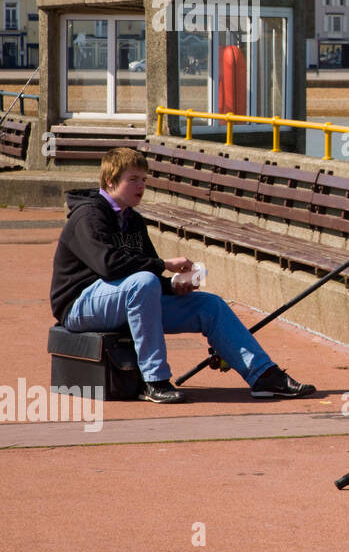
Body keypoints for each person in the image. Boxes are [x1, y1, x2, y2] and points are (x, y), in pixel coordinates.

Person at [49, 148, 316, 404]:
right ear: (110, 181)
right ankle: (155, 381)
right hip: (79, 306)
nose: (141, 186)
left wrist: (174, 286)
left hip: (125, 299)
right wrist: (164, 264)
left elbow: (145, 275)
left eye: (144, 180)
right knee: (143, 282)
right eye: (133, 180)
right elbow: (109, 265)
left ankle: (264, 376)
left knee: (208, 305)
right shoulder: (88, 215)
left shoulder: (134, 220)